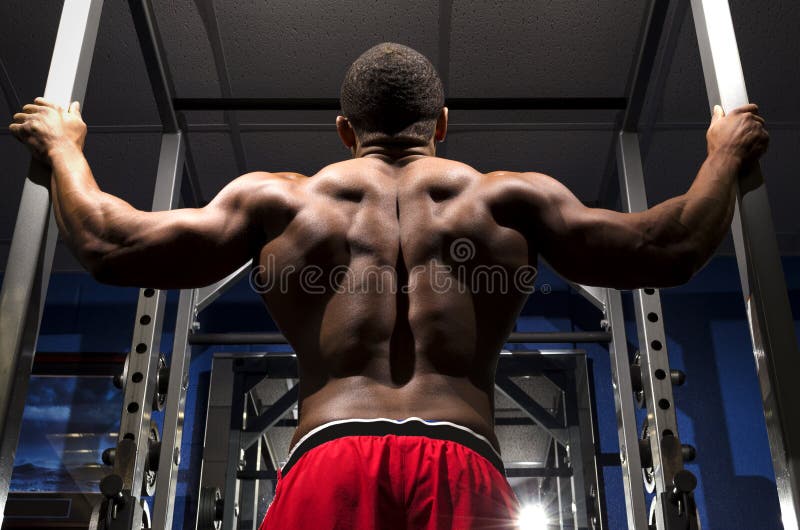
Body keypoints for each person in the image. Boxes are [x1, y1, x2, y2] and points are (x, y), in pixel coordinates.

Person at [9, 42, 768, 529]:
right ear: (442, 122)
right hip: (462, 462)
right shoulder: (507, 198)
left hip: (327, 460)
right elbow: (668, 246)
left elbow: (111, 243)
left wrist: (66, 147)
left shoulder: (280, 201)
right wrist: (724, 155)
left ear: (345, 129)